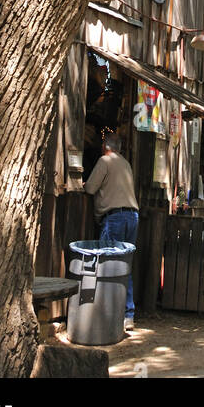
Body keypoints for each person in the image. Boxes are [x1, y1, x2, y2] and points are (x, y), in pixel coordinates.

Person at [84, 131, 139, 331]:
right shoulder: (125, 163)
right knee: (125, 265)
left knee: (107, 264)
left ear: (105, 147)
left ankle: (106, 314)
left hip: (114, 217)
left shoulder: (105, 161)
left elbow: (90, 188)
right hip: (132, 216)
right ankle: (127, 315)